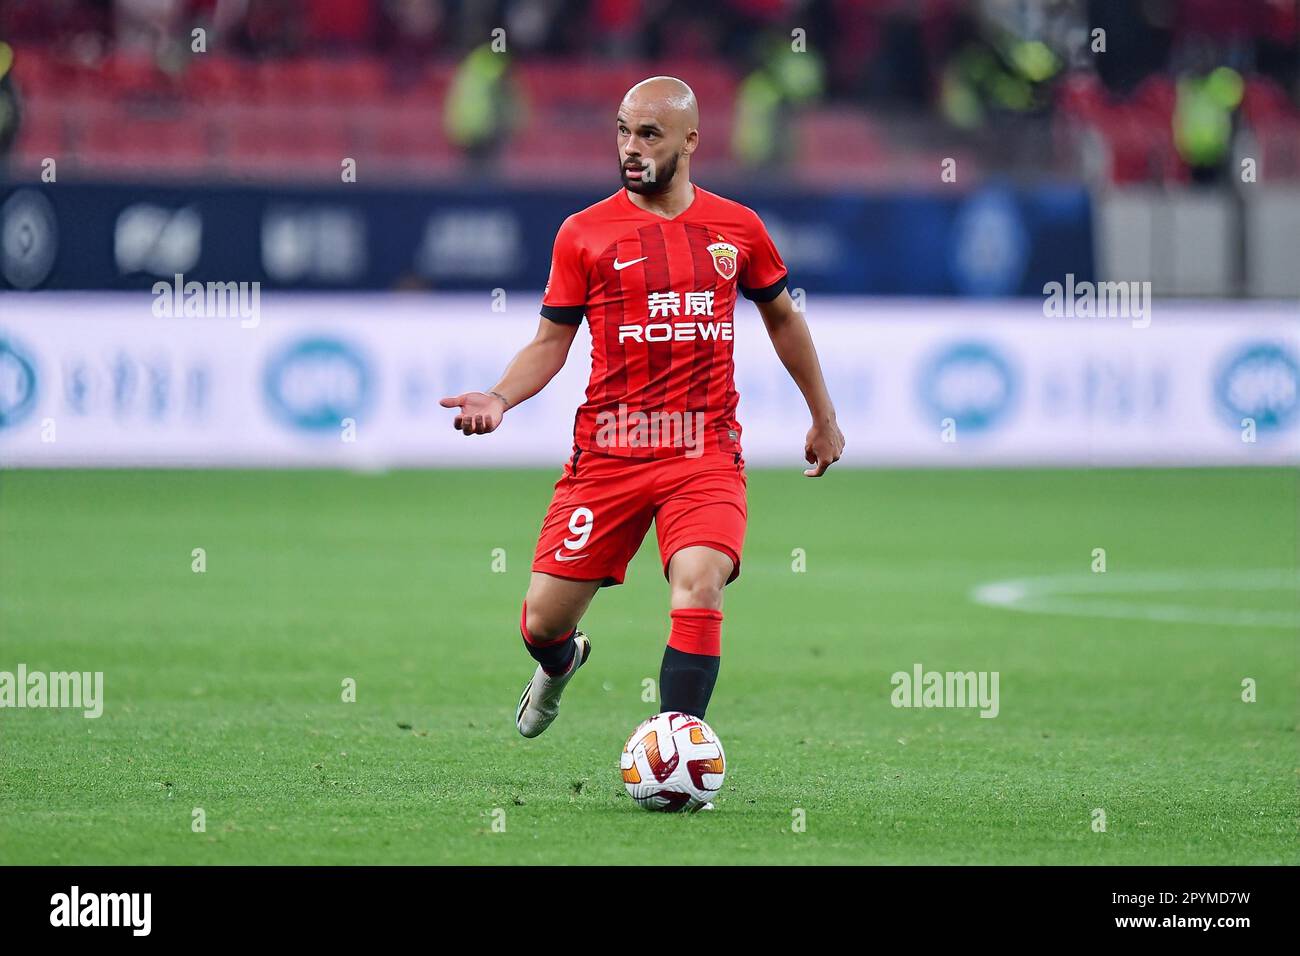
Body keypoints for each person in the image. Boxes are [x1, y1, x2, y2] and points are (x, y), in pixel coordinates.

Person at [440, 76, 844, 739]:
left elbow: (784, 321)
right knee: (542, 623)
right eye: (623, 131)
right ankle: (563, 661)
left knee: (699, 581)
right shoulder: (584, 235)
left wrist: (823, 416)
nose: (631, 147)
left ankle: (675, 746)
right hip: (611, 451)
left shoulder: (736, 228)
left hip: (703, 447)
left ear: (690, 140)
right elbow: (550, 342)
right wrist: (500, 396)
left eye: (648, 134)